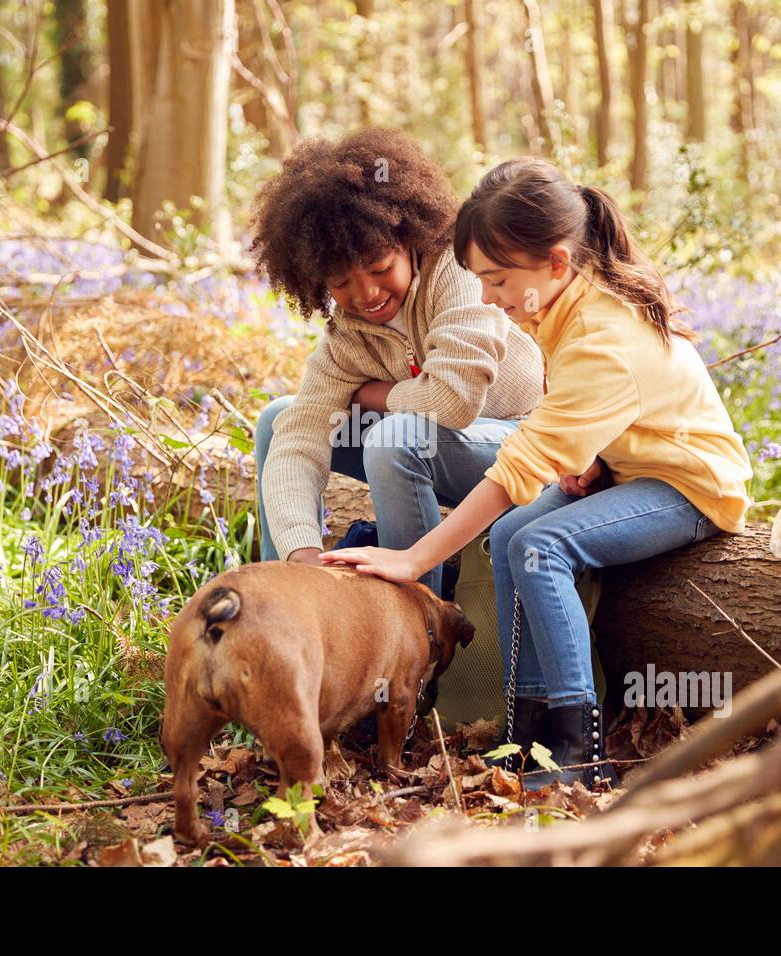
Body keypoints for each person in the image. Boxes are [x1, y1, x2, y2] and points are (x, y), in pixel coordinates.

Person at [323, 157, 754, 791]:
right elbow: (595, 419)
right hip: (630, 468)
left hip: (690, 486)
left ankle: (579, 745)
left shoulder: (603, 334)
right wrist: (595, 459)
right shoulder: (563, 302)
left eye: (496, 280)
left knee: (537, 543)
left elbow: (518, 468)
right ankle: (523, 735)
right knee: (508, 538)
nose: (489, 298)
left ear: (555, 261)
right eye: (479, 280)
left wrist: (415, 560)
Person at [251, 128, 544, 596]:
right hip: (430, 454)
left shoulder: (458, 271)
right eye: (340, 282)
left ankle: (414, 618)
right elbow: (302, 435)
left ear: (407, 239)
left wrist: (374, 395)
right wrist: (301, 553)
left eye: (379, 268)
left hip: (524, 449)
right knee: (280, 419)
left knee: (395, 435)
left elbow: (453, 402)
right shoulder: (348, 336)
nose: (365, 294)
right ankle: (283, 595)